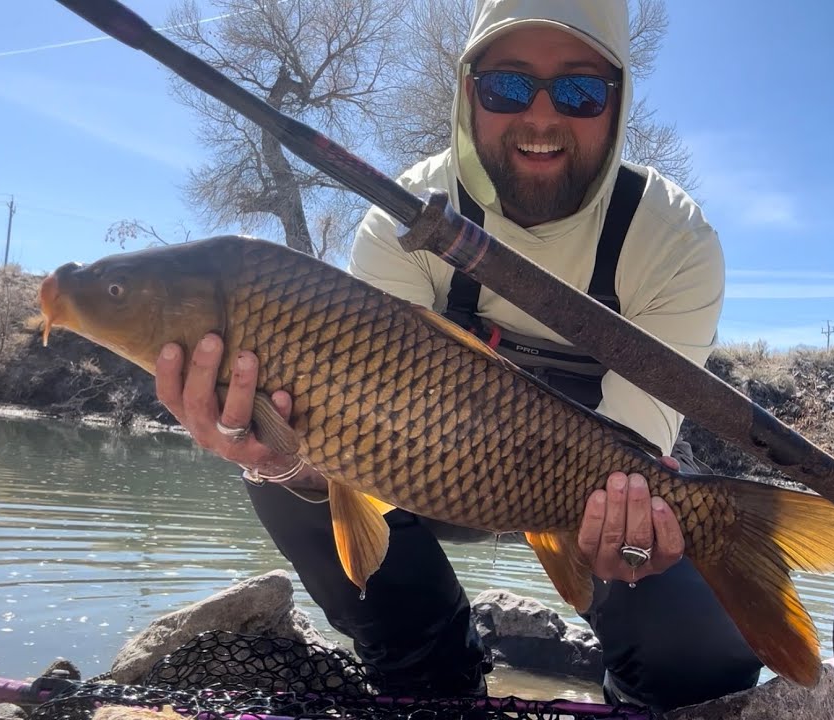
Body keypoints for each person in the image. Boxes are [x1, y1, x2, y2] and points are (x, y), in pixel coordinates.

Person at [153, 0, 763, 710]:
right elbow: (345, 430)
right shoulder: (400, 218)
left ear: (619, 102)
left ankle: (637, 693)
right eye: (507, 85)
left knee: (703, 656)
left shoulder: (676, 244)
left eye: (578, 90)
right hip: (423, 471)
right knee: (282, 474)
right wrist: (292, 460)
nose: (541, 117)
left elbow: (634, 458)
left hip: (586, 492)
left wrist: (627, 538)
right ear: (468, 88)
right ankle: (434, 683)